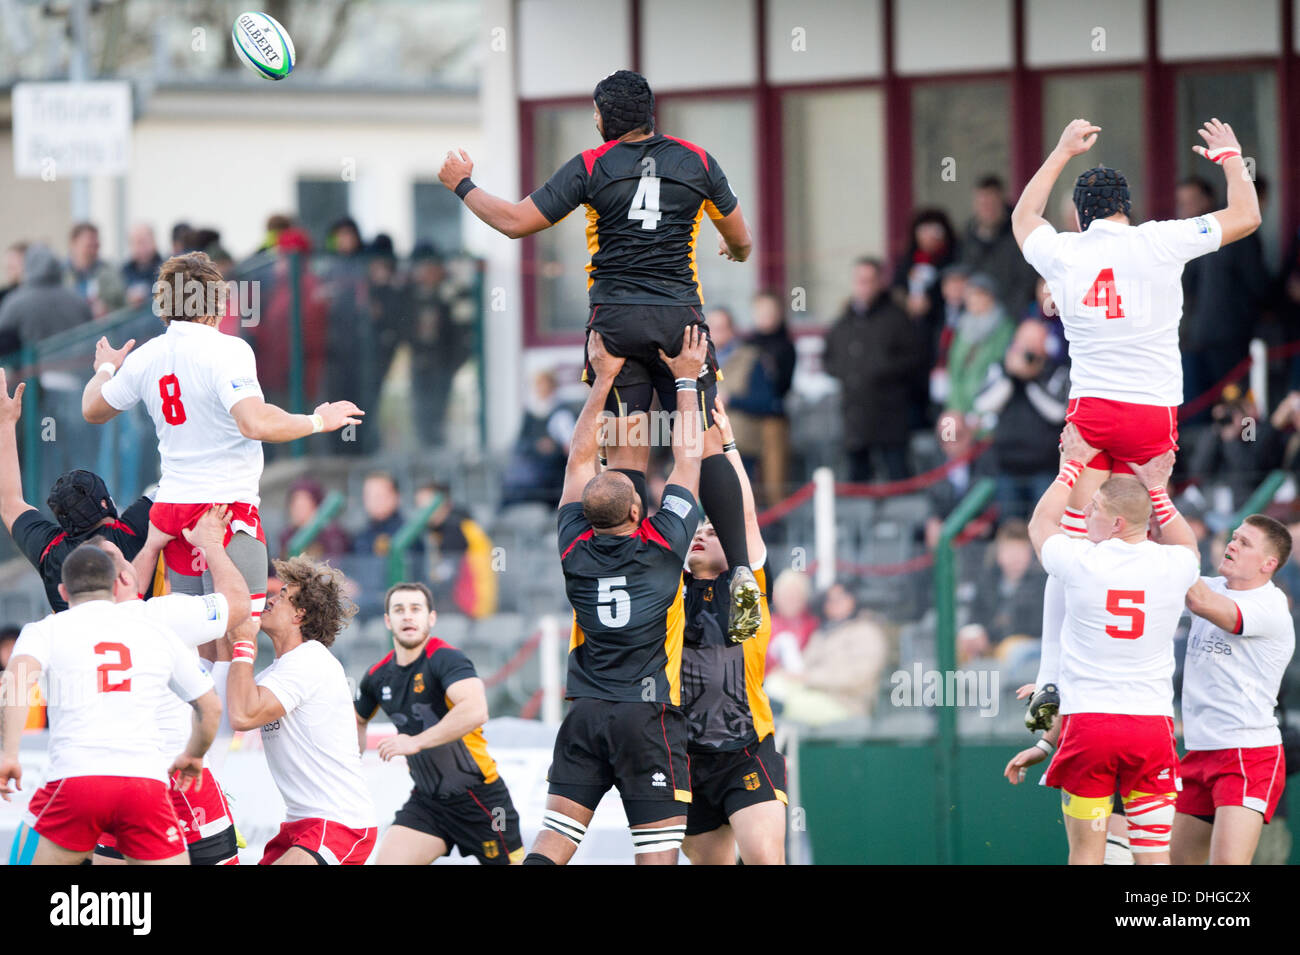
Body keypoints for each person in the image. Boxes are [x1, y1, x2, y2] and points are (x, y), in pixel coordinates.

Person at [438, 68, 762, 643]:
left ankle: (630, 574)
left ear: (603, 119)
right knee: (705, 440)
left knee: (628, 454)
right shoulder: (698, 159)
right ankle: (740, 571)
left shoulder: (592, 165)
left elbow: (514, 223)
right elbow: (741, 239)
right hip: (678, 319)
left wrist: (462, 184)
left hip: (614, 324)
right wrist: (732, 251)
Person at [1012, 117, 1262, 722]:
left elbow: (1023, 218)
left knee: (1071, 542)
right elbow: (1246, 216)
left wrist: (1059, 151)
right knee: (1144, 537)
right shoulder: (1160, 238)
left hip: (1093, 413)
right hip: (1153, 416)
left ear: (1080, 216)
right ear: (1127, 209)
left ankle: (1053, 677)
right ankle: (1145, 672)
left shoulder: (1066, 252)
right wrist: (1230, 157)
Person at [81, 251, 362, 649]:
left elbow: (92, 409)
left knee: (199, 645)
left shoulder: (146, 357)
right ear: (216, 302)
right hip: (224, 510)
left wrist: (106, 368)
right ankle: (240, 713)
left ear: (164, 305)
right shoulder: (227, 350)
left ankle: (208, 713)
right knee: (240, 636)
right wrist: (319, 420)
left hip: (171, 511)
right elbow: (255, 422)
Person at [524, 329, 703, 865]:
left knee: (551, 844)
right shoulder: (664, 547)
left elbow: (578, 463)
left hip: (584, 713)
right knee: (656, 853)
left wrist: (602, 380)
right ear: (635, 514)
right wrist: (688, 379)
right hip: (644, 718)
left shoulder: (574, 548)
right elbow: (687, 458)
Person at [1005, 431, 1200, 864]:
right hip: (1150, 728)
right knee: (1153, 857)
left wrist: (1071, 466)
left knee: (1086, 855)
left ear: (1114, 523)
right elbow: (1188, 543)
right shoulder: (1173, 564)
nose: (1086, 515)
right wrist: (1156, 490)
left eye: (1093, 510)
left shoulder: (1082, 561)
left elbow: (1041, 524)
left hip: (1091, 727)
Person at [0, 545, 221, 865]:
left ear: (63, 591)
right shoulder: (156, 632)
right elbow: (210, 707)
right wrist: (194, 754)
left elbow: (16, 682)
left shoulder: (47, 629)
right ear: (115, 585)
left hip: (76, 780)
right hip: (144, 784)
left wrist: (8, 753)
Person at [89, 508, 251, 866]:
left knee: (117, 912)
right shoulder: (163, 617)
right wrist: (211, 546)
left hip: (112, 785)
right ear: (123, 578)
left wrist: (151, 545)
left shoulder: (64, 631)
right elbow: (238, 607)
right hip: (176, 780)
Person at [680, 397, 786, 865]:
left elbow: (741, 516)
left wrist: (727, 444)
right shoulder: (666, 590)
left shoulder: (745, 585)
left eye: (713, 531)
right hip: (684, 755)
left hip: (746, 748)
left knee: (764, 858)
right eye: (697, 530)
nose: (702, 532)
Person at [222, 555, 377, 865]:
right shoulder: (274, 675)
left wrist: (242, 643)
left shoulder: (310, 660)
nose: (270, 599)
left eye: (282, 597)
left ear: (300, 614)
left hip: (338, 823)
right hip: (301, 825)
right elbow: (233, 709)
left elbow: (243, 715)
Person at [355, 582, 525, 865]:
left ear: (430, 618)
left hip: (483, 800)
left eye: (415, 609)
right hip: (428, 802)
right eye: (399, 610)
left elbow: (476, 710)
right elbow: (357, 720)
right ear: (388, 621)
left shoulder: (446, 658)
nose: (407, 616)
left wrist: (415, 742)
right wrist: (349, 766)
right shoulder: (376, 675)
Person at [1171, 515, 1296, 865]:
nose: (1232, 545)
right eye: (1234, 537)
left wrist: (1157, 495)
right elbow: (1165, 573)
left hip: (1247, 753)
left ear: (1268, 564)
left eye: (1244, 543)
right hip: (1200, 750)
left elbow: (1199, 601)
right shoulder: (1212, 586)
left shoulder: (1270, 606)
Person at [0, 370, 154, 613]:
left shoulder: (51, 552)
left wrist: (4, 424)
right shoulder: (129, 532)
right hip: (141, 645)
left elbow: (9, 502)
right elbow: (180, 480)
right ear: (105, 504)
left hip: (75, 648)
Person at [825, 257, 927, 482]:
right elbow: (829, 359)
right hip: (855, 419)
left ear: (880, 282)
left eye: (869, 280)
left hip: (891, 418)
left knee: (898, 478)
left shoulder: (897, 318)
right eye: (859, 280)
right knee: (858, 483)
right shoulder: (843, 322)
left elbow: (915, 360)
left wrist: (878, 372)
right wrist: (850, 374)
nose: (864, 286)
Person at [972, 319, 1070, 520]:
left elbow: (1056, 412)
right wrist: (1010, 376)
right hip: (1007, 466)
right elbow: (983, 404)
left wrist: (1032, 378)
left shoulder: (1056, 371)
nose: (1028, 348)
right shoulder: (1001, 369)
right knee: (1010, 528)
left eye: (1034, 341)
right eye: (1024, 341)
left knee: (1045, 525)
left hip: (1045, 468)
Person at [726, 292, 796, 508]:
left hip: (772, 419)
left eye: (770, 312)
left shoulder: (784, 345)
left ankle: (775, 518)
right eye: (761, 312)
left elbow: (780, 386)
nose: (765, 317)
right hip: (744, 420)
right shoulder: (746, 345)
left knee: (773, 480)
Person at [958, 175, 1038, 320]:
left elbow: (1027, 283)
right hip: (974, 316)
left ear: (1001, 202)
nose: (987, 210)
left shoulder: (1019, 235)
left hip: (1011, 318)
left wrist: (1007, 315)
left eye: (991, 204)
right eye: (982, 204)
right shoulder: (967, 239)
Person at [935, 272, 1015, 416]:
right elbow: (954, 366)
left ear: (990, 297)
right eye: (969, 295)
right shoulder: (962, 326)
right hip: (958, 403)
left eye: (978, 295)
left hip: (989, 405)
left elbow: (998, 366)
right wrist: (955, 406)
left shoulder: (1004, 328)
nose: (973, 300)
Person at [500, 369, 577, 510]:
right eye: (538, 385)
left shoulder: (563, 413)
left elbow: (571, 447)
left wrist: (554, 448)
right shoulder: (530, 414)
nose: (541, 389)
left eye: (544, 385)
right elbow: (519, 444)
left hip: (553, 474)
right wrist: (537, 446)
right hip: (532, 472)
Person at [278, 477, 350, 559]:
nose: (298, 509)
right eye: (295, 503)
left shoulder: (331, 535)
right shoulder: (287, 535)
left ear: (315, 505)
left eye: (304, 504)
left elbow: (335, 562)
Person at [64, 222, 125, 318]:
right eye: (88, 246)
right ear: (73, 244)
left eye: (96, 246)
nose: (93, 251)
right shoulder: (61, 276)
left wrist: (107, 309)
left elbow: (123, 304)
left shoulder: (109, 272)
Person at [121, 223, 164, 308]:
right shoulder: (124, 272)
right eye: (136, 243)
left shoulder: (166, 270)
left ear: (153, 242)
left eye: (143, 242)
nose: (140, 247)